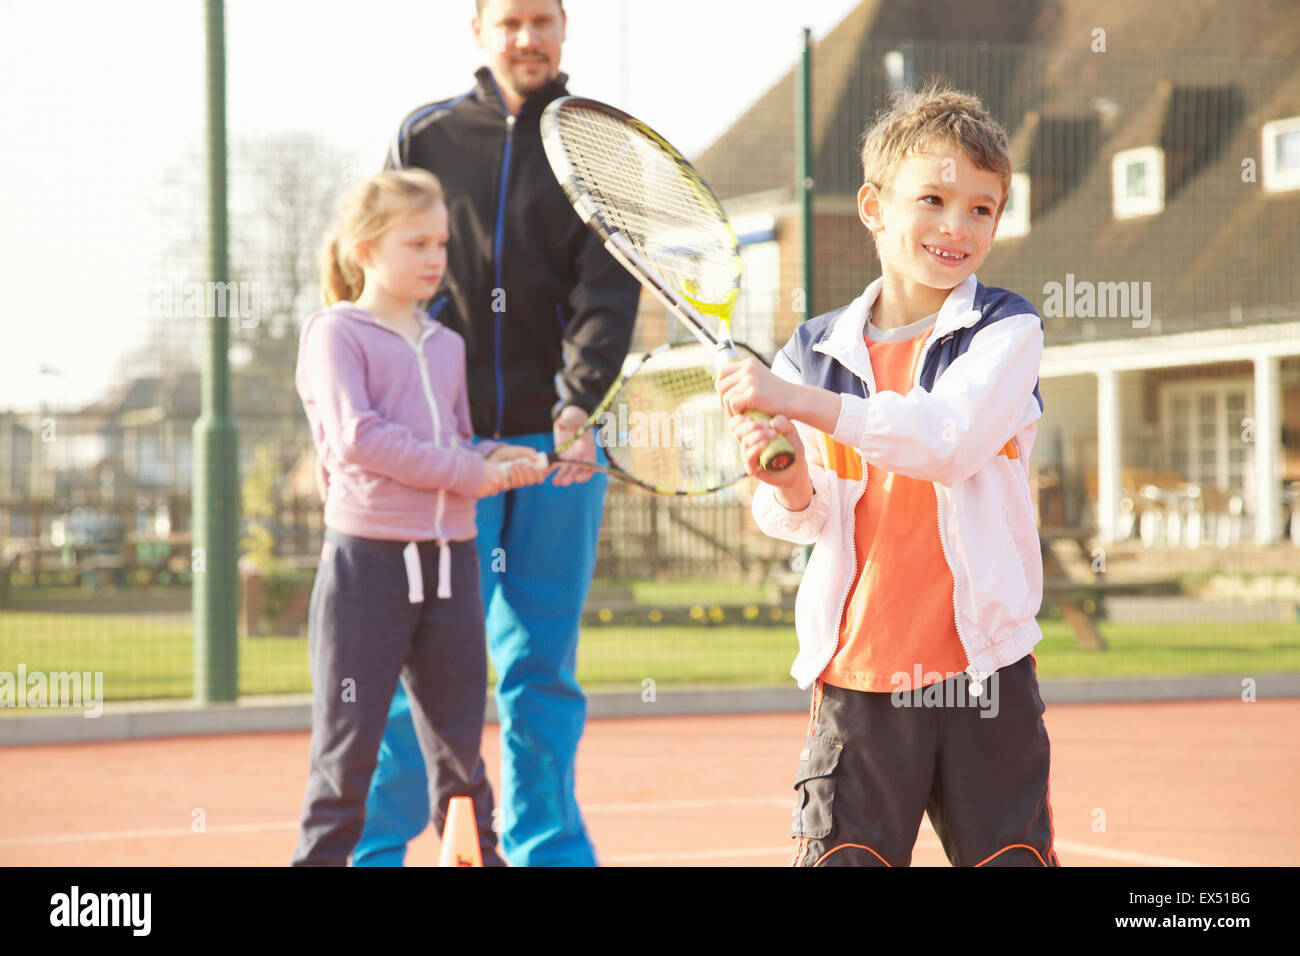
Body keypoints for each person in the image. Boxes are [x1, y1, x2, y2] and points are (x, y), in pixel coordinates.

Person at [716, 84, 1060, 867]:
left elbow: (946, 439)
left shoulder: (1006, 330)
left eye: (982, 208)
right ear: (873, 206)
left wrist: (798, 400)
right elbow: (799, 519)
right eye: (933, 199)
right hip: (860, 681)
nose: (957, 226)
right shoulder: (814, 348)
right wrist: (788, 481)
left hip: (984, 678)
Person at [354, 0, 640, 867]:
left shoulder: (601, 146)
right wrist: (427, 412)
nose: (528, 37)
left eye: (543, 19)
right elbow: (398, 265)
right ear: (476, 30)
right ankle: (371, 848)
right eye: (509, 20)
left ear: (564, 29)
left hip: (559, 452)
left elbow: (610, 288)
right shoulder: (428, 136)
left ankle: (546, 846)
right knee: (424, 675)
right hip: (452, 456)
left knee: (541, 673)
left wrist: (576, 402)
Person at [291, 168, 549, 866]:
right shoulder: (334, 334)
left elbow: (455, 447)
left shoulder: (445, 344)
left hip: (451, 566)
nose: (436, 258)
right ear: (367, 251)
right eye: (417, 243)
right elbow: (359, 438)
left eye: (441, 243)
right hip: (365, 568)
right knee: (346, 756)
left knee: (461, 760)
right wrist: (473, 472)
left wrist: (512, 459)